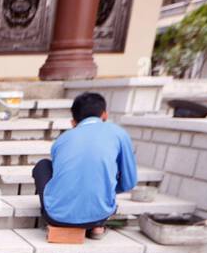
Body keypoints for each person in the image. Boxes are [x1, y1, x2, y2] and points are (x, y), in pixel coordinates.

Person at [32, 92, 137, 240]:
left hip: (56, 217)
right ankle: (97, 228)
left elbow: (61, 177)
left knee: (43, 165)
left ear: (73, 122)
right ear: (104, 115)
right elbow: (129, 182)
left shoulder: (62, 140)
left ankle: (67, 215)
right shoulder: (119, 134)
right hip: (99, 215)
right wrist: (107, 188)